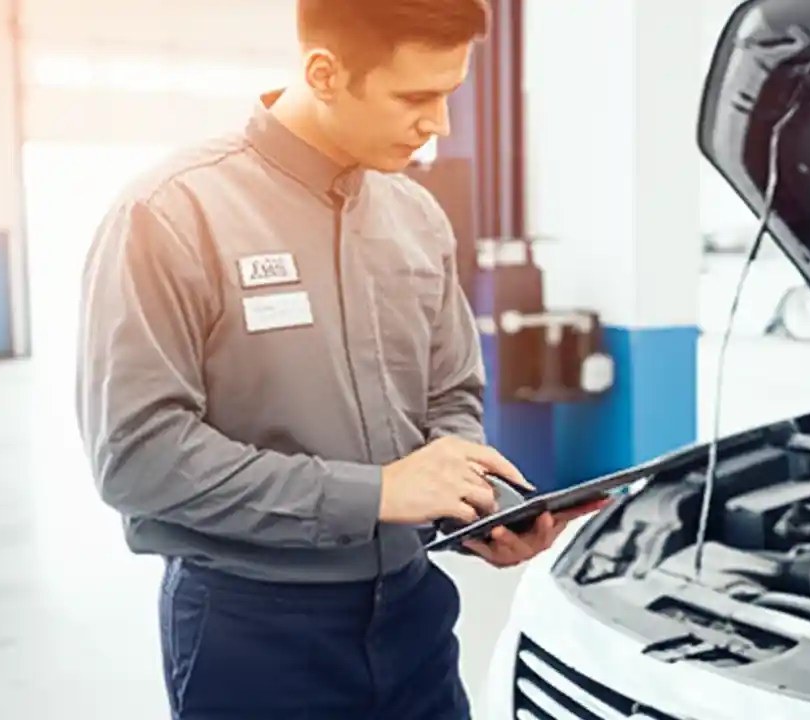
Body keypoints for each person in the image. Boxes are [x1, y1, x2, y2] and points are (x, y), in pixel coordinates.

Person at [75, 1, 605, 717]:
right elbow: (138, 456)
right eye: (415, 96)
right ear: (324, 73)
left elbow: (450, 392)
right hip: (255, 633)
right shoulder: (170, 215)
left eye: (449, 93)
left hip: (416, 618)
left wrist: (472, 507)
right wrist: (378, 494)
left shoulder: (416, 217)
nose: (439, 124)